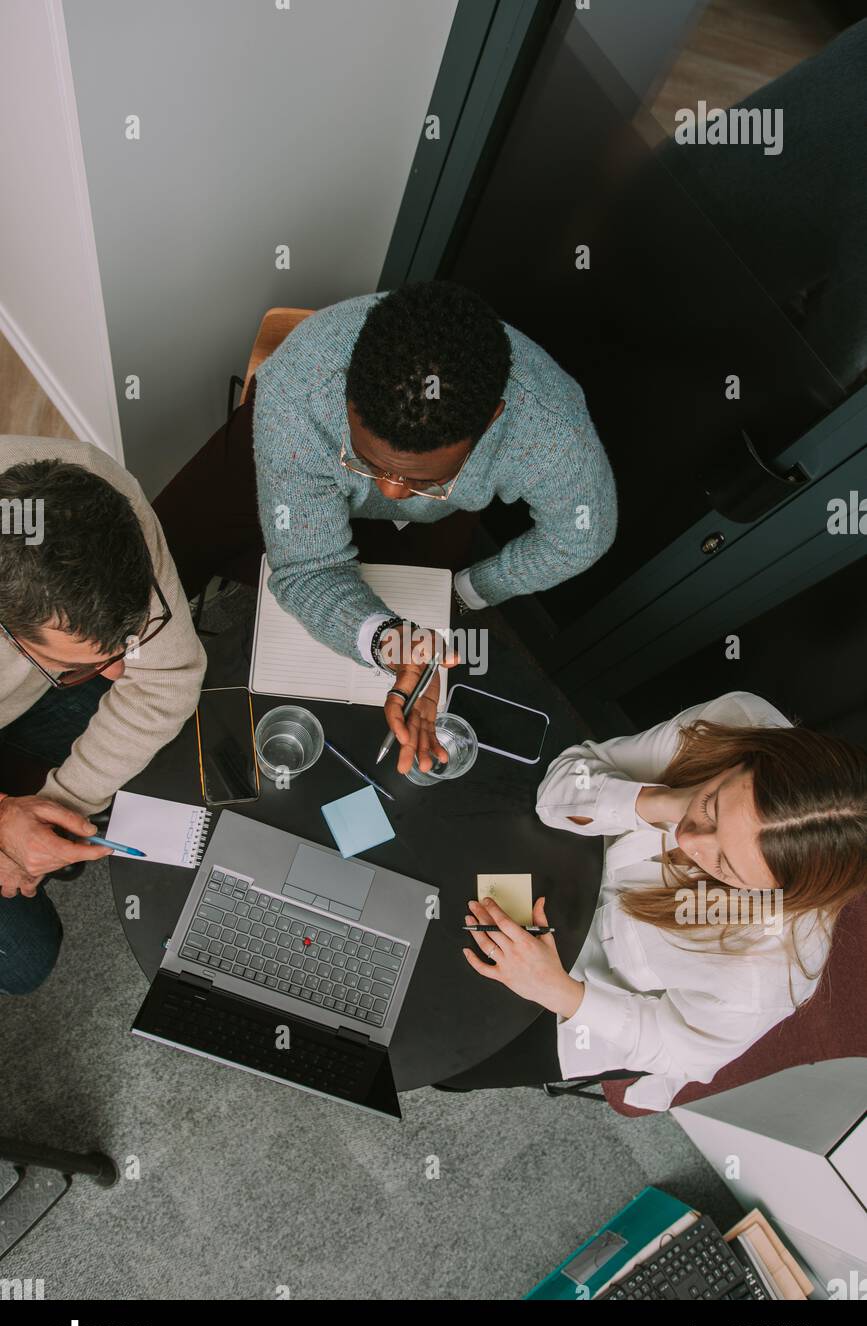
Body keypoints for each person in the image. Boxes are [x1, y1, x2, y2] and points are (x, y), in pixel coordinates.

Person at [154, 280, 617, 775]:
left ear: (489, 423)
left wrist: (466, 594)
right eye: (372, 463)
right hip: (292, 458)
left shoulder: (553, 431)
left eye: (424, 478)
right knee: (157, 567)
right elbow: (308, 569)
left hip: (432, 524)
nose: (391, 493)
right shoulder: (299, 386)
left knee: (422, 626)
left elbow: (581, 537)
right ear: (347, 397)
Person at [437, 691, 867, 1110]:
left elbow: (674, 1050)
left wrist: (558, 990)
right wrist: (662, 800)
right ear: (744, 759)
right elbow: (561, 787)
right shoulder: (736, 721)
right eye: (712, 806)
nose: (690, 838)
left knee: (452, 1062)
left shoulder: (766, 975)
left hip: (587, 1004)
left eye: (724, 865)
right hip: (566, 860)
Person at [0, 437, 206, 995]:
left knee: (182, 745)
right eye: (77, 664)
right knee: (24, 959)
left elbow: (164, 679)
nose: (119, 673)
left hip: (18, 699)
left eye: (128, 645)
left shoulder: (97, 499)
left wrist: (57, 809)